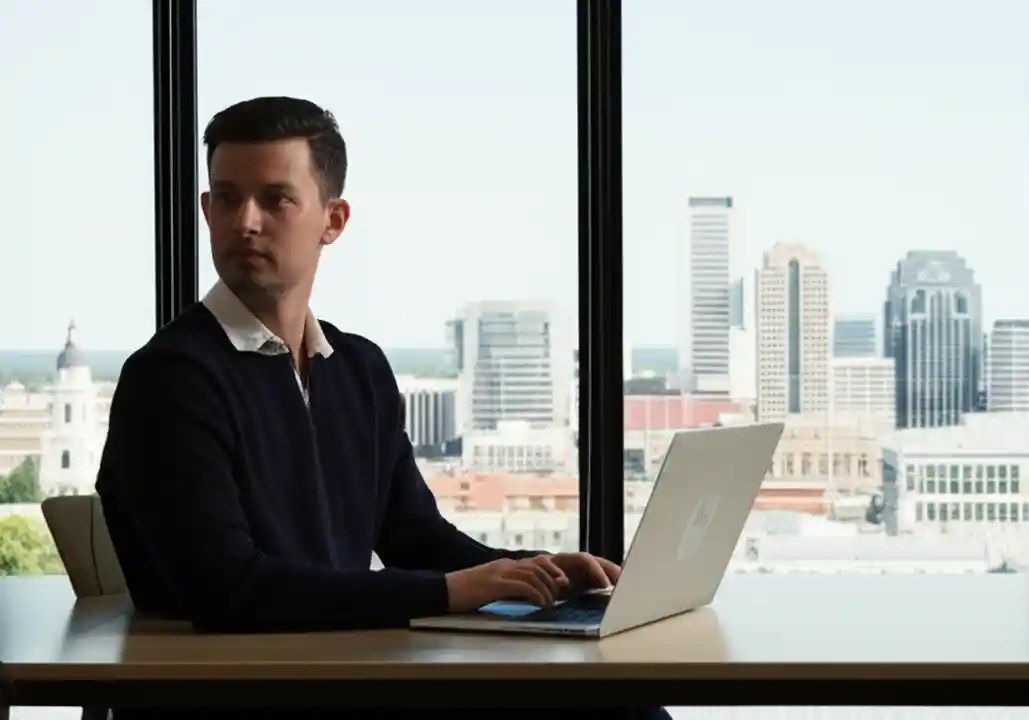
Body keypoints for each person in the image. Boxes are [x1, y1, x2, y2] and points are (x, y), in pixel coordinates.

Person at [97, 96, 667, 720]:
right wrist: (450, 591)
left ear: (333, 220)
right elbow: (225, 588)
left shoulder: (358, 370)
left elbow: (414, 538)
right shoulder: (170, 379)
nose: (246, 222)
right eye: (226, 199)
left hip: (342, 681)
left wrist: (531, 572)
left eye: (275, 199)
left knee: (616, 701)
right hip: (233, 702)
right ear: (206, 212)